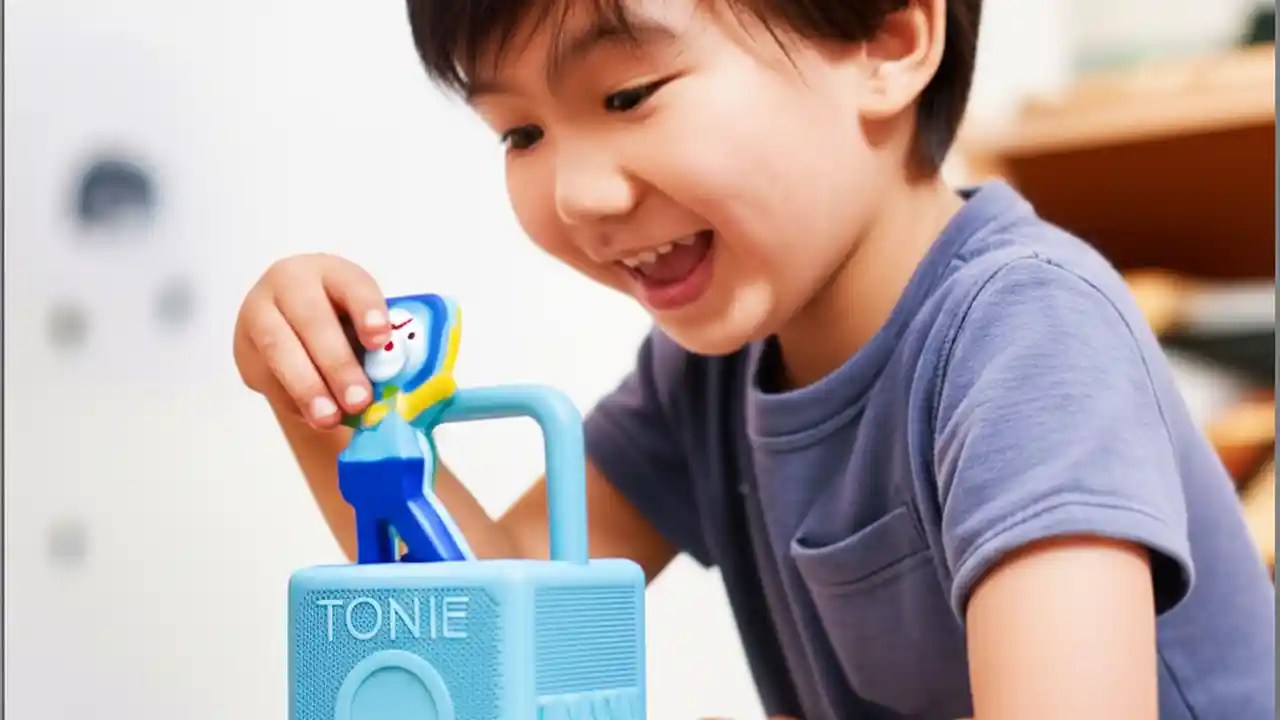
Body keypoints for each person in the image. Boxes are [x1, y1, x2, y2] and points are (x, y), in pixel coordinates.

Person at [232, 1, 1276, 717]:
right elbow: (500, 612)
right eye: (519, 134)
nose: (577, 194)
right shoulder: (705, 378)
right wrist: (331, 400)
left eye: (628, 94)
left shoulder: (1024, 333)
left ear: (885, 40)